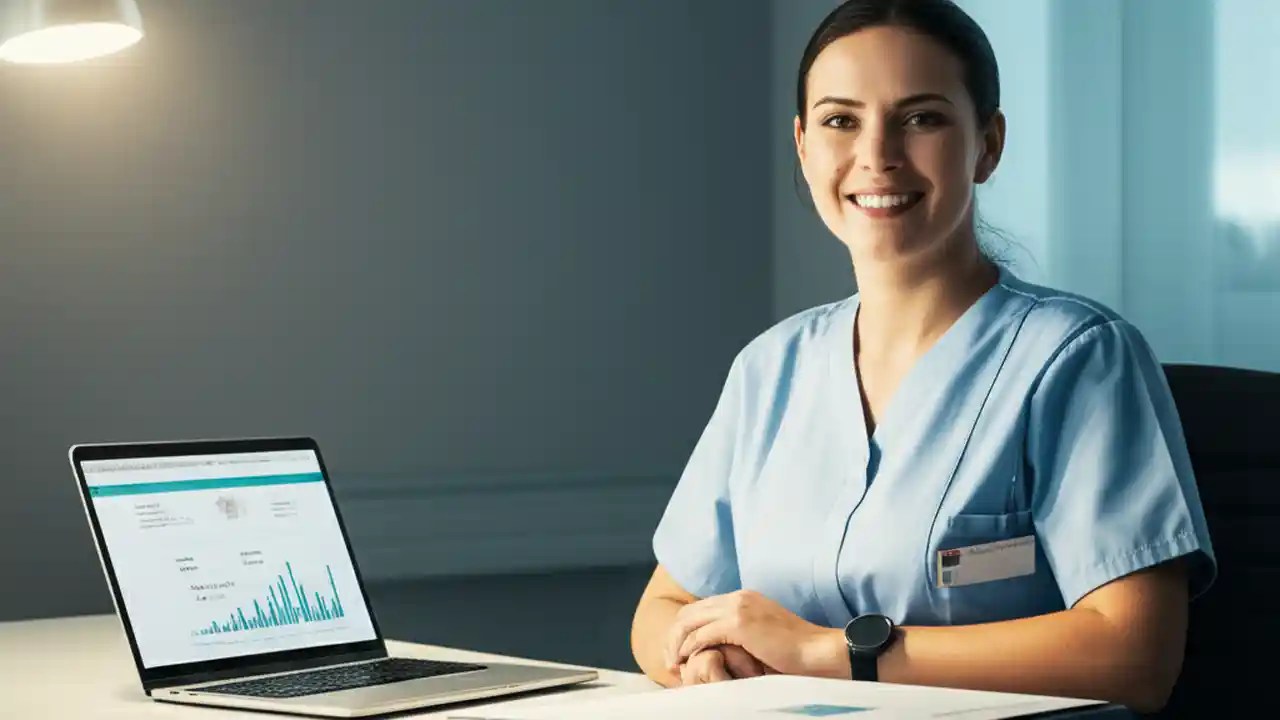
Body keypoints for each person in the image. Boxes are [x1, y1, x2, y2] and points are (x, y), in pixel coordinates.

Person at [628, 0, 1216, 713]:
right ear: (804, 146)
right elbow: (662, 607)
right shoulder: (770, 368)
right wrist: (700, 658)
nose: (877, 155)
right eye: (841, 120)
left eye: (922, 118)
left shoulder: (1077, 357)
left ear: (988, 145)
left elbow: (1132, 654)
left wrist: (826, 651)